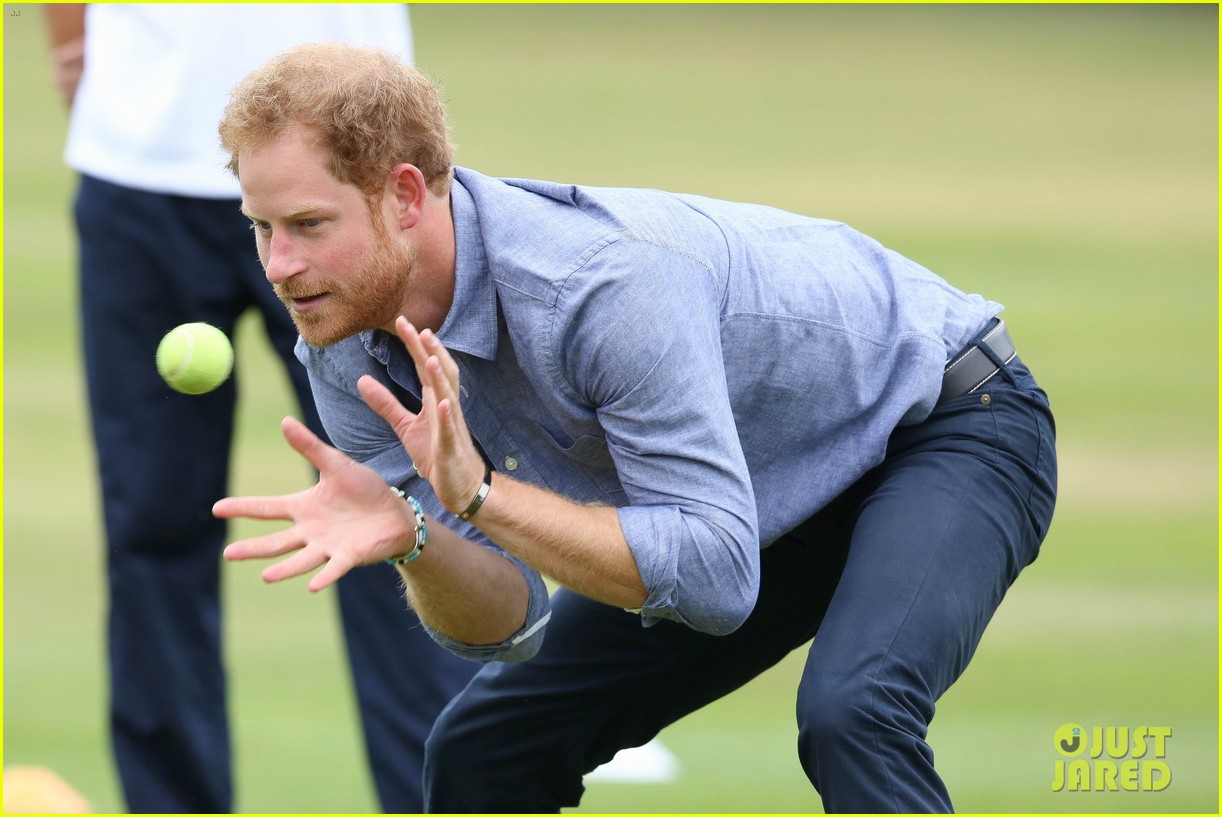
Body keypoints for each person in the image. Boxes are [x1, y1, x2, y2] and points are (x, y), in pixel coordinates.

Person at [213, 42, 1058, 813]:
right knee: (485, 746)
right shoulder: (344, 337)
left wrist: (477, 494)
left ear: (403, 195)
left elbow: (718, 581)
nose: (280, 266)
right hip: (749, 490)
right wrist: (417, 538)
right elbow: (510, 624)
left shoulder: (597, 290)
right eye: (261, 227)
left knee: (854, 711)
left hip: (945, 420)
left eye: (308, 225)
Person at [45, 8, 478, 813]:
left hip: (345, 163)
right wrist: (71, 41)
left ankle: (437, 799)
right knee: (152, 528)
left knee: (395, 518)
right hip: (140, 161)